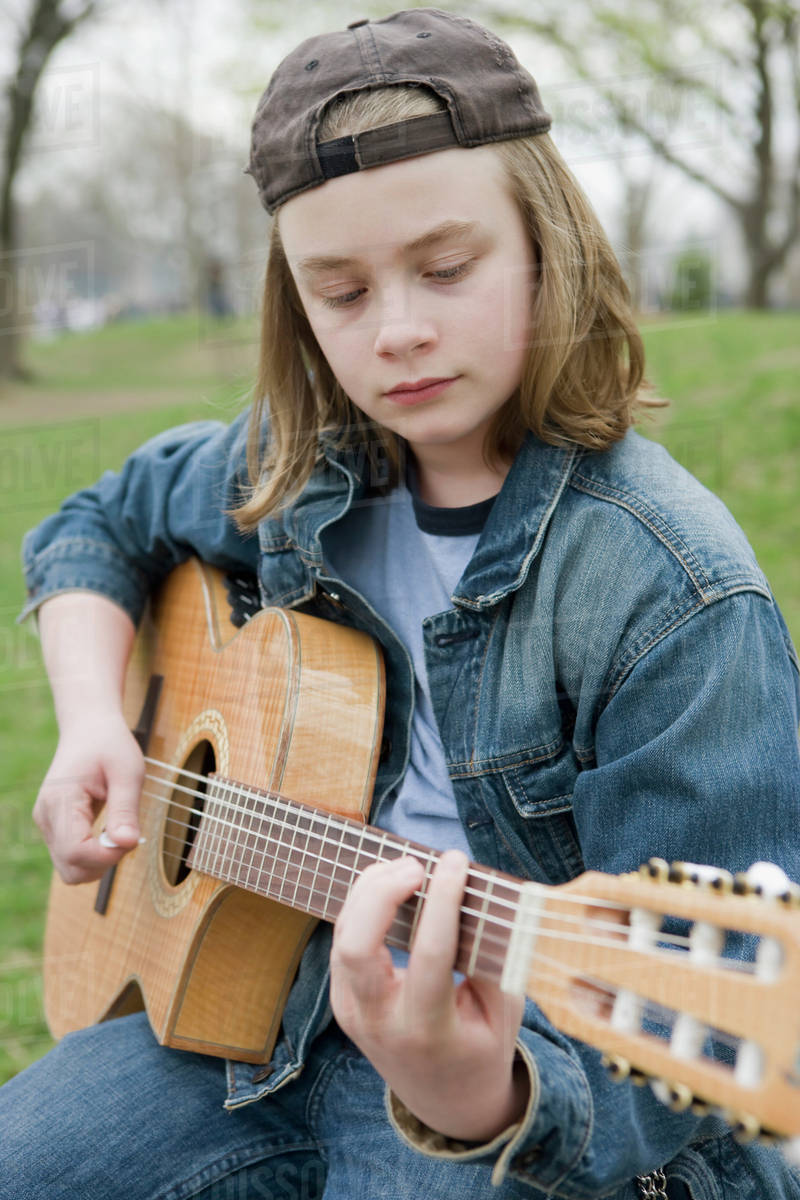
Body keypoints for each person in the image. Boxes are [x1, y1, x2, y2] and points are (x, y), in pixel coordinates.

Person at [2, 10, 799, 1200]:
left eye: (444, 268)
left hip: (521, 1070)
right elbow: (91, 527)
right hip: (269, 1006)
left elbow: (723, 1016)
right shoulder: (297, 462)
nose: (399, 332)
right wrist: (97, 729)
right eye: (340, 292)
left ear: (545, 243)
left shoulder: (670, 589)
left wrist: (480, 1091)